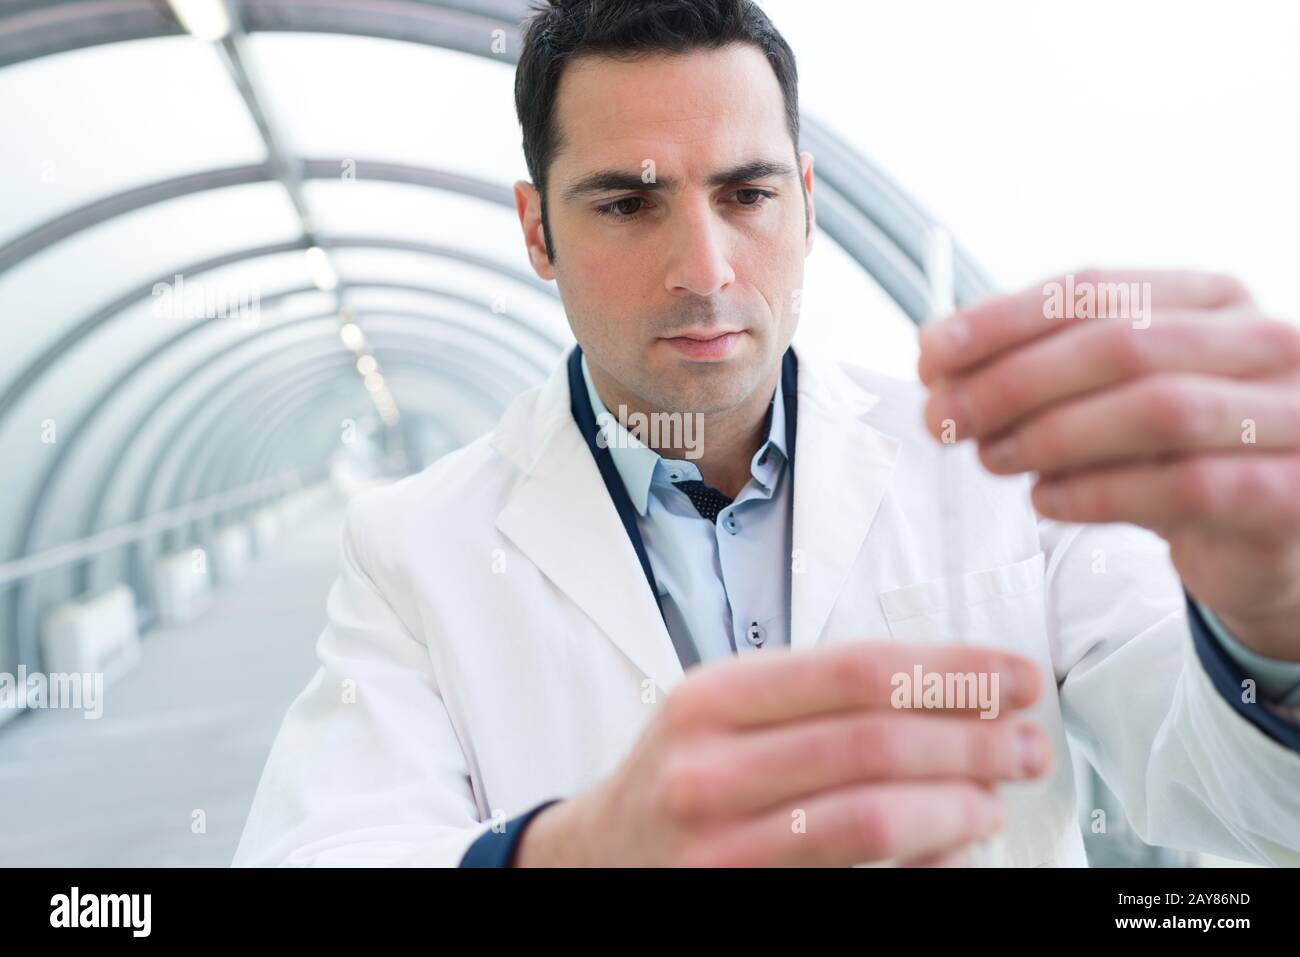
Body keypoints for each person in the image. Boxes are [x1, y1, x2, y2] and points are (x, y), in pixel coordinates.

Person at [232, 0, 1300, 868]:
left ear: (808, 207)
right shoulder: (412, 546)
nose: (704, 269)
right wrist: (579, 855)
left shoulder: (987, 465)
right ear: (534, 229)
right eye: (625, 205)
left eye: (746, 193)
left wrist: (1273, 622)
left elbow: (1237, 799)